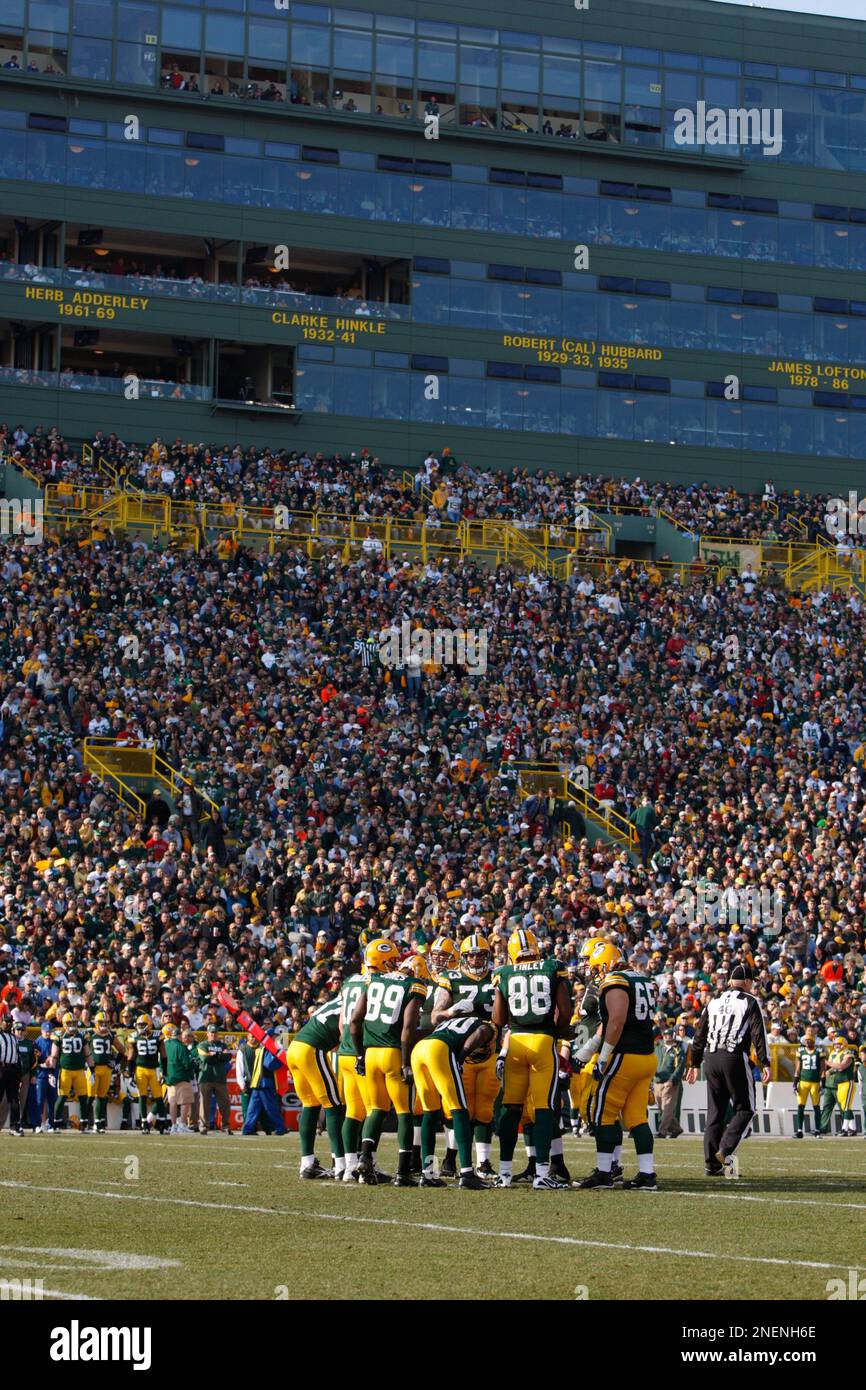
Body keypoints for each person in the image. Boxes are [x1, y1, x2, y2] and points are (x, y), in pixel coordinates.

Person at [491, 928, 572, 1189]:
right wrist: (558, 1032)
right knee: (543, 1109)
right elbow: (566, 1010)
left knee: (511, 1108)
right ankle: (541, 1174)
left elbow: (498, 1019)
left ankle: (503, 1173)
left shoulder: (503, 973)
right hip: (541, 1041)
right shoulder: (552, 967)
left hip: (515, 1042)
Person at [575, 941, 659, 1190]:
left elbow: (616, 1021)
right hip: (646, 1056)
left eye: (595, 966)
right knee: (636, 1118)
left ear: (606, 963)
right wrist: (588, 1049)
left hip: (625, 1055)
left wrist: (603, 1057)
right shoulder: (640, 979)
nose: (593, 971)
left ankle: (604, 1172)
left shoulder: (615, 980)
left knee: (603, 1115)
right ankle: (647, 1174)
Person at [350, 936, 426, 1186]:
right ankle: (403, 1173)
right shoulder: (414, 984)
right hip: (394, 1053)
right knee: (404, 1112)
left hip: (370, 1054)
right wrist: (405, 1062)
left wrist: (360, 1054)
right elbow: (407, 1029)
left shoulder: (372, 980)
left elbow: (354, 1022)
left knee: (376, 1111)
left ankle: (365, 1157)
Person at [687, 963, 770, 1177]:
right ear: (748, 982)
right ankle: (725, 1149)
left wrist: (694, 1063)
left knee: (715, 1112)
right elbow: (758, 1033)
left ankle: (711, 1165)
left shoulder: (713, 1001)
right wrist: (765, 1062)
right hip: (733, 1057)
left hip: (710, 1057)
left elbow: (699, 1034)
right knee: (746, 1108)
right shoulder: (750, 1001)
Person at [410, 1008, 492, 1189]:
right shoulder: (485, 1024)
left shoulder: (449, 1022)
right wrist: (461, 1058)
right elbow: (480, 1033)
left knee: (429, 1112)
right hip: (439, 1049)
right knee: (460, 1109)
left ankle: (428, 1173)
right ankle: (467, 1173)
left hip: (419, 1049)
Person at [283, 995, 345, 1172]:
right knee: (333, 1104)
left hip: (295, 1048)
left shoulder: (335, 1001)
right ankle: (340, 1165)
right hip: (311, 1049)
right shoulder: (355, 1000)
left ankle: (307, 1163)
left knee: (310, 1104)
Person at [127, 1013, 169, 1134]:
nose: (140, 1027)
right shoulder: (134, 1037)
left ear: (149, 1025)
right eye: (139, 1024)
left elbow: (164, 1056)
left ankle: (162, 1123)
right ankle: (144, 1122)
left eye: (142, 1025)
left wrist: (164, 1072)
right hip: (140, 1069)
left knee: (158, 1097)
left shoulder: (158, 1035)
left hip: (154, 1069)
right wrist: (130, 1073)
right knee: (142, 1096)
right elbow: (131, 1056)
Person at [242, 1026, 288, 1139]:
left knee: (253, 1109)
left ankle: (247, 1129)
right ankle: (280, 1128)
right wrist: (282, 1061)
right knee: (271, 1107)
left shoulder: (262, 1047)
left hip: (257, 1082)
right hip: (265, 1082)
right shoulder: (270, 1048)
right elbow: (269, 1064)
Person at [196, 1022, 232, 1134]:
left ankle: (225, 1126)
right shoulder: (202, 1045)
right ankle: (203, 1126)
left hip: (220, 1077)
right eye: (211, 1032)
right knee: (204, 1104)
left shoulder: (223, 1045)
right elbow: (205, 1058)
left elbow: (228, 1056)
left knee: (225, 1103)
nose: (213, 1035)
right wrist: (219, 1056)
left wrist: (214, 1055)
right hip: (205, 1077)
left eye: (215, 1032)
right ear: (207, 1034)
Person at [163, 1024, 196, 1133]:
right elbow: (186, 1063)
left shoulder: (166, 1044)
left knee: (172, 1102)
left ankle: (173, 1125)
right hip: (181, 1076)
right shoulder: (181, 1046)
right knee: (185, 1101)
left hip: (169, 1077)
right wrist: (193, 1063)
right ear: (178, 1036)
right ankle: (182, 1124)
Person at [654, 1027, 685, 1139]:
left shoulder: (678, 1050)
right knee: (663, 1108)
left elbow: (680, 1067)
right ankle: (677, 1129)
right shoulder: (658, 1047)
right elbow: (653, 1062)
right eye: (665, 1034)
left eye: (669, 1034)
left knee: (666, 1108)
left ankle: (662, 1131)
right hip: (657, 1082)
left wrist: (672, 1079)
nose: (667, 1036)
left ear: (673, 1036)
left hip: (669, 1083)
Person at [793, 1027, 823, 1138]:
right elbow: (797, 1068)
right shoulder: (800, 1052)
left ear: (813, 1041)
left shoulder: (819, 1052)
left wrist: (822, 1083)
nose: (807, 1042)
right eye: (806, 1040)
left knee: (816, 1106)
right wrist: (795, 1082)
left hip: (815, 1082)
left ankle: (817, 1130)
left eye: (809, 1040)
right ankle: (799, 1130)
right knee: (800, 1106)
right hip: (803, 1082)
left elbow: (823, 1069)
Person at [0, 1015, 23, 1135]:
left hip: (12, 1070)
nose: (8, 1024)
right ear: (1, 1022)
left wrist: (19, 1074)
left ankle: (14, 1127)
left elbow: (17, 1056)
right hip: (1, 1070)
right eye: (6, 1022)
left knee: (14, 1099)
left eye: (10, 1022)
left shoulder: (14, 1038)